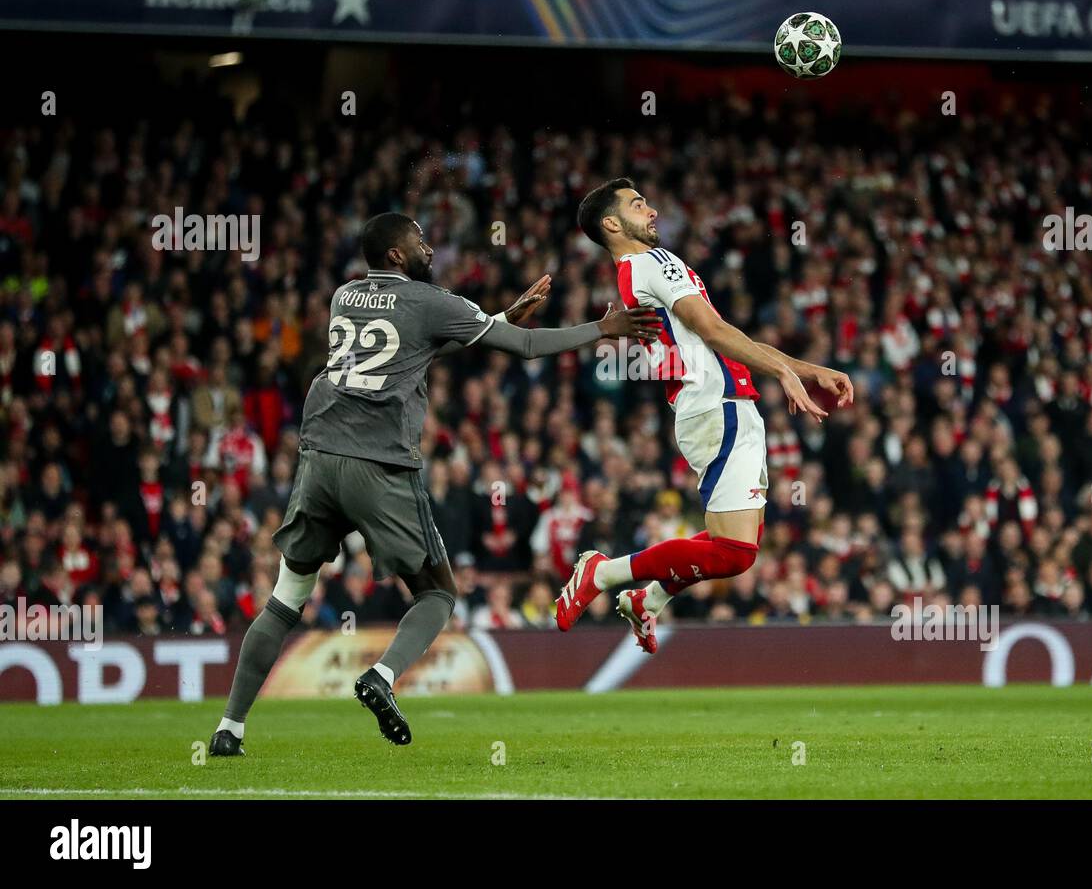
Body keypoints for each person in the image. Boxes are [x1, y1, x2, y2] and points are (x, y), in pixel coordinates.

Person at [209, 211, 659, 755]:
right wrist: (601, 330)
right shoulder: (431, 300)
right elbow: (525, 347)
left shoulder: (344, 298)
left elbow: (413, 349)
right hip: (379, 464)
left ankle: (229, 729)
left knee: (285, 600)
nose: (428, 245)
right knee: (440, 592)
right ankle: (381, 676)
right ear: (397, 254)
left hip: (318, 457)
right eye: (418, 239)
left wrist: (498, 316)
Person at [553, 179, 852, 652]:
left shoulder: (639, 271)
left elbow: (725, 335)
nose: (652, 210)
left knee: (737, 536)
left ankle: (648, 599)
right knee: (735, 553)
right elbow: (713, 330)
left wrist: (804, 370)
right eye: (638, 204)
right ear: (612, 224)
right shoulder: (654, 262)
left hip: (722, 405)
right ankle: (605, 571)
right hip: (718, 407)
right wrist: (782, 373)